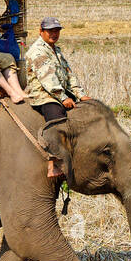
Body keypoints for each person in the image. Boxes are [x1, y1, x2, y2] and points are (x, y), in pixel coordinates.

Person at [25, 17, 87, 178]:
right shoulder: (37, 51)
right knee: (57, 119)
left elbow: (69, 74)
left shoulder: (56, 50)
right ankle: (54, 162)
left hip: (61, 91)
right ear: (41, 31)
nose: (54, 34)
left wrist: (80, 94)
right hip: (44, 94)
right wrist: (62, 97)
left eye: (56, 30)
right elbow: (48, 79)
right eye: (50, 31)